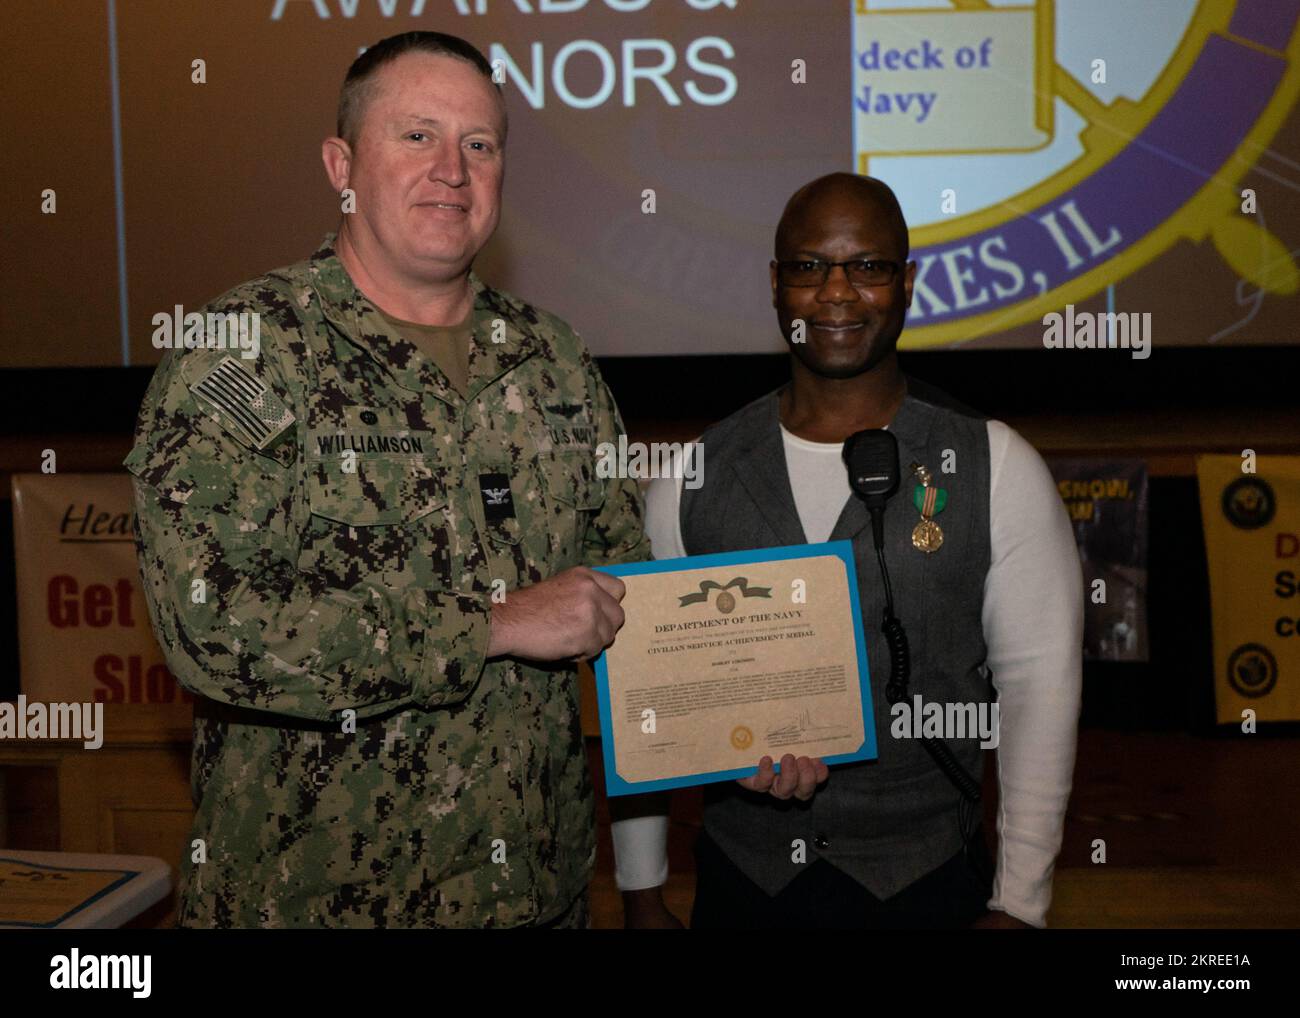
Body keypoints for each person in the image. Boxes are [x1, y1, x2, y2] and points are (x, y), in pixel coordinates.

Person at [126, 31, 648, 928]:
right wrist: (491, 625)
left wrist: (732, 726)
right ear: (342, 164)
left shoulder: (554, 359)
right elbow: (211, 626)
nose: (453, 169)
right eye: (417, 136)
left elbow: (623, 591)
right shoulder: (244, 350)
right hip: (314, 905)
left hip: (533, 900)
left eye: (479, 145)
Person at [613, 173, 1082, 929]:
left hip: (926, 887)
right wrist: (639, 891)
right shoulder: (693, 476)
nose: (836, 292)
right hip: (743, 887)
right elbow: (646, 700)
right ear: (775, 286)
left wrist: (1021, 904)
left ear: (907, 284)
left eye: (868, 267)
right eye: (808, 267)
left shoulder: (997, 467)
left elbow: (1040, 694)